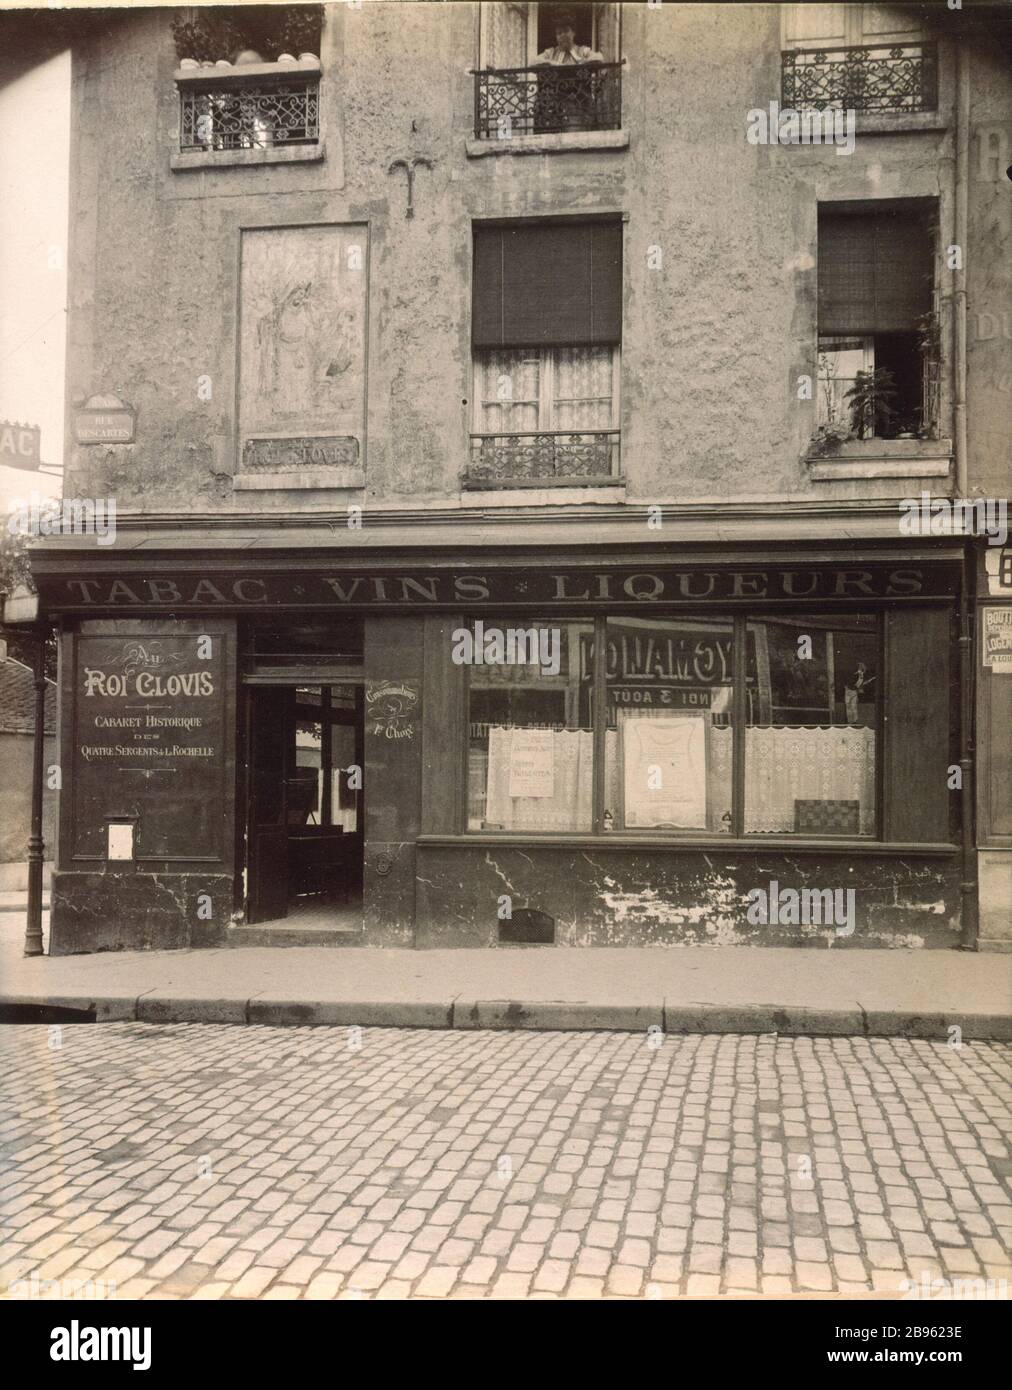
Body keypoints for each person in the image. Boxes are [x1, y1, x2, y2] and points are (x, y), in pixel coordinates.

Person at [531, 14, 603, 66]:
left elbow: (599, 57)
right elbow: (533, 62)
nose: (562, 35)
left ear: (573, 32)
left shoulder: (583, 50)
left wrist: (582, 63)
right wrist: (552, 63)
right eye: (559, 33)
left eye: (566, 31)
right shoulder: (551, 52)